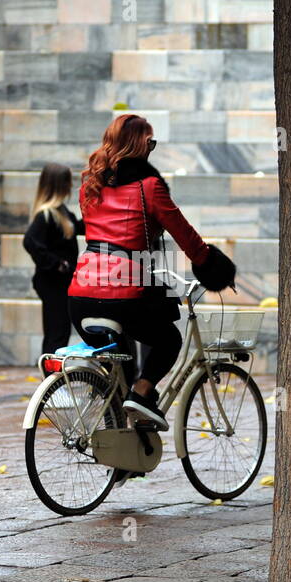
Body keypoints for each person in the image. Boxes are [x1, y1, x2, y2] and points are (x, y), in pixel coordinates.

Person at [68, 113, 235, 429]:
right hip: (124, 292)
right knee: (168, 340)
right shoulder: (149, 187)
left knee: (119, 370)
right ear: (140, 145)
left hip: (80, 294)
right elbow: (185, 236)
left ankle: (119, 439)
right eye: (151, 143)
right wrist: (214, 268)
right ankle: (143, 393)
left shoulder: (90, 185)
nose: (151, 149)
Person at [23, 163, 84, 356]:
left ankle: (53, 373)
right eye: (68, 181)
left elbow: (79, 227)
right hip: (53, 284)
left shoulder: (61, 211)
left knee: (60, 332)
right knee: (56, 334)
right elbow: (30, 242)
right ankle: (51, 373)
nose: (71, 186)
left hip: (60, 283)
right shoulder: (47, 214)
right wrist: (58, 264)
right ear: (59, 184)